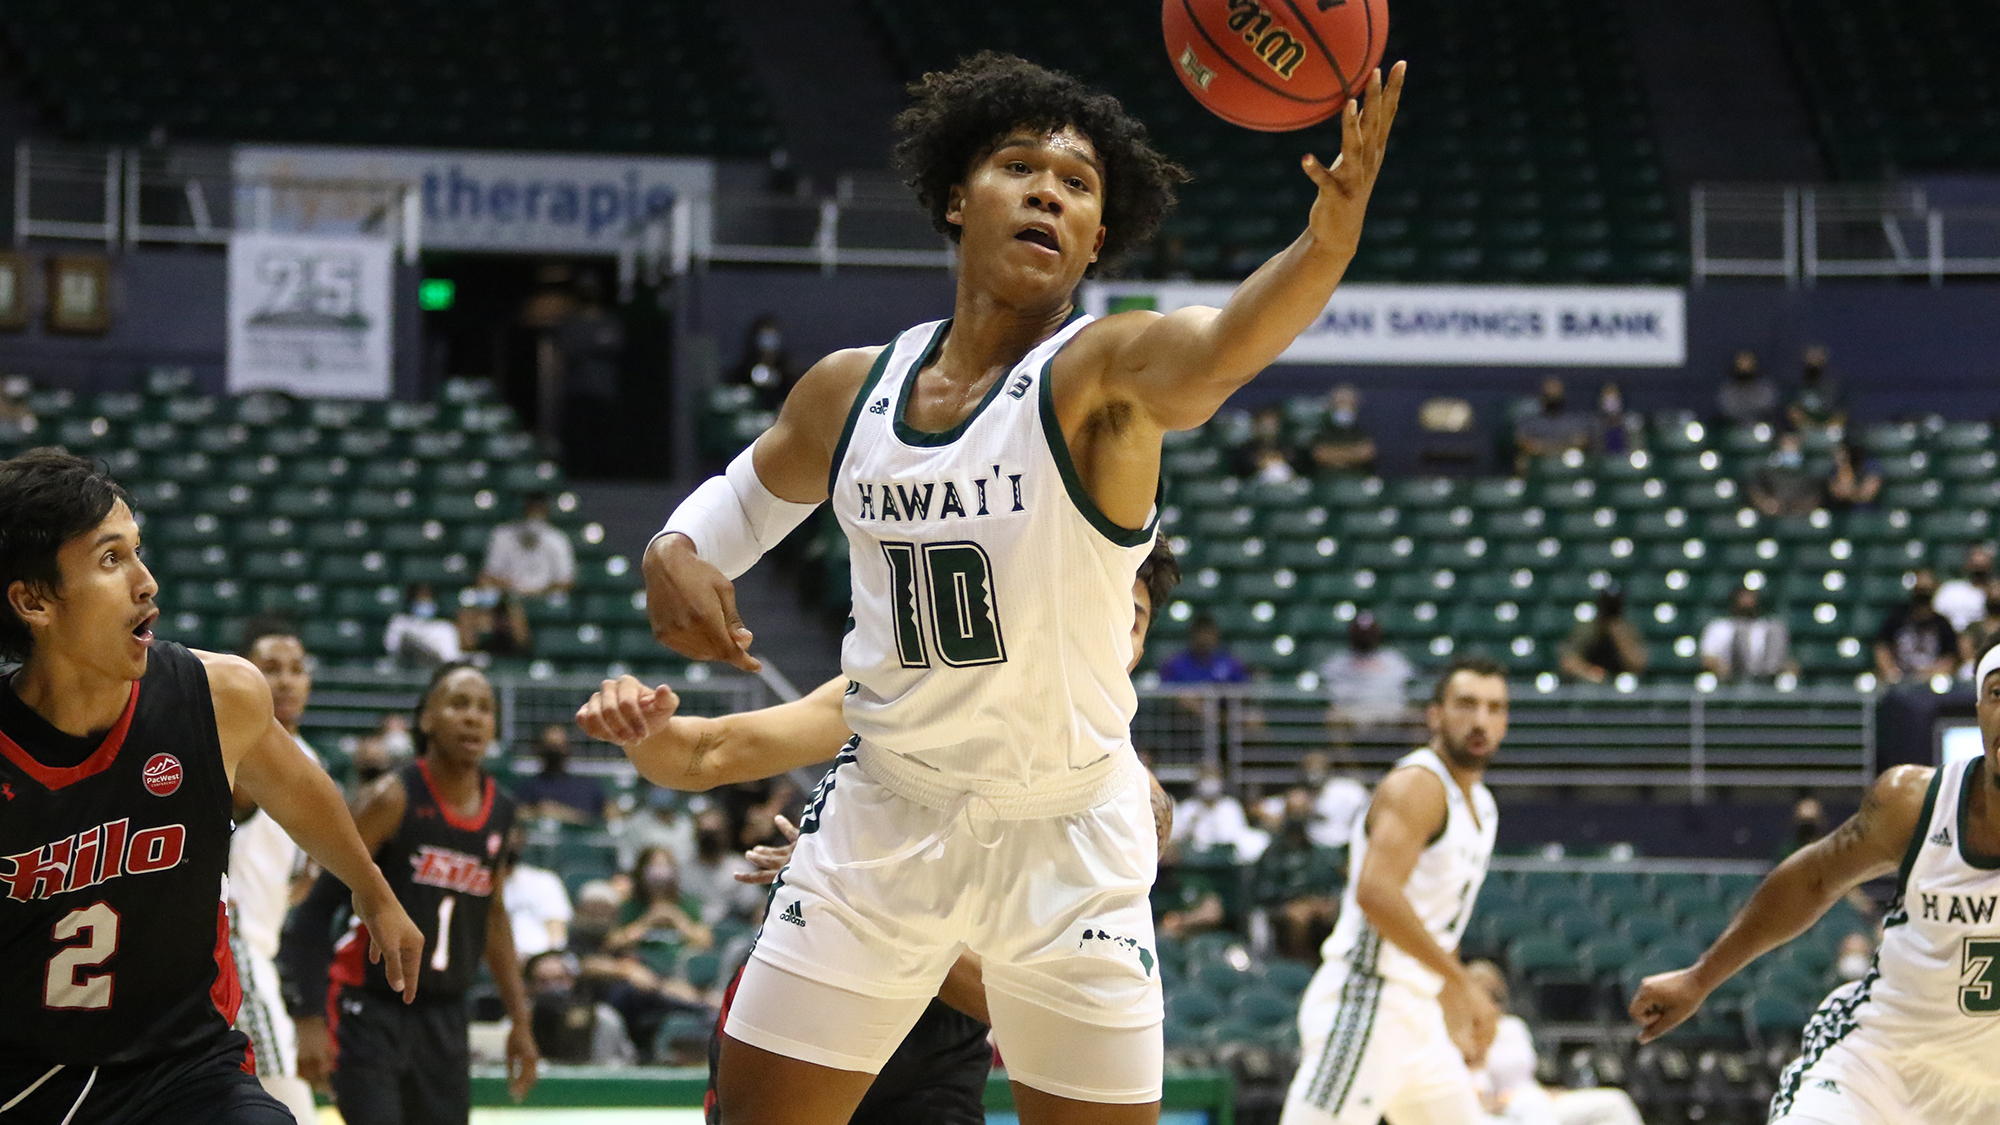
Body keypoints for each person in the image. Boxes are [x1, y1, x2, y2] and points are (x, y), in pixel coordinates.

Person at [634, 49, 1402, 1122]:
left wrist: (1326, 245)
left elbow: (1225, 347)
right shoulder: (850, 390)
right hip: (884, 814)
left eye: (1076, 184)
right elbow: (737, 504)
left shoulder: (1101, 376)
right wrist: (671, 550)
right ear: (957, 196)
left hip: (1067, 838)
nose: (1048, 192)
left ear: (1096, 236)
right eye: (1019, 167)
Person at [582, 539, 1183, 1125]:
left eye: (1132, 620)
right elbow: (709, 751)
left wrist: (873, 889)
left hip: (934, 1045)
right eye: (1097, 608)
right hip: (816, 994)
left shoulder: (1130, 805)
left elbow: (1039, 1000)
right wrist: (643, 729)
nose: (1112, 632)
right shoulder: (906, 689)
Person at [0, 448, 423, 1125]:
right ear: (33, 600)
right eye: (111, 559)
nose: (147, 583)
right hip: (31, 1083)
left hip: (187, 1068)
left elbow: (298, 790)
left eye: (138, 552)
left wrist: (371, 888)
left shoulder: (216, 696)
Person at [1629, 643, 2000, 1125]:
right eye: (1998, 694)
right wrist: (1699, 978)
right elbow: (1812, 880)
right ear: (1979, 708)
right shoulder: (1914, 803)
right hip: (1875, 1070)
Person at [284, 663, 538, 1121]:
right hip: (370, 1009)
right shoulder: (391, 797)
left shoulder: (502, 810)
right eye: (458, 704)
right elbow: (316, 911)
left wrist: (520, 1021)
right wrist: (310, 1019)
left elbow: (493, 917)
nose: (473, 717)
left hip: (446, 1018)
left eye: (485, 708)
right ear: (427, 719)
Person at [1279, 657, 1508, 1125]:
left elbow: (1437, 924)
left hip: (1417, 1013)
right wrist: (1463, 984)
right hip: (1367, 1000)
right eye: (1467, 704)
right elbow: (1376, 894)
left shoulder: (1483, 806)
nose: (1480, 720)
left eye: (1494, 708)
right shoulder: (1419, 784)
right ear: (1435, 715)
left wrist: (1451, 999)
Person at [229, 621, 330, 1125]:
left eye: (296, 669)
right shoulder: (236, 746)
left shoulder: (310, 759)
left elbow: (304, 879)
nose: (287, 681)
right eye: (271, 669)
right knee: (279, 1077)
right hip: (231, 939)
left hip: (262, 943)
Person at [1464, 961, 1642, 1125]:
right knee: (1532, 1108)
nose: (1492, 1004)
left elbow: (1525, 1078)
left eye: (1495, 997)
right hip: (1501, 1109)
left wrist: (1547, 1093)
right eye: (1484, 996)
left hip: (1535, 1098)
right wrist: (1503, 1101)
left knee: (1615, 1102)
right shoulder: (1463, 1037)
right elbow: (1474, 1092)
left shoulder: (1513, 1026)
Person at [1251, 789, 1345, 960]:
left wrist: (1325, 901)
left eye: (1302, 812)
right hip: (1282, 907)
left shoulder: (1317, 850)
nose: (1298, 818)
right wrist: (1295, 901)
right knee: (1299, 915)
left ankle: (1333, 960)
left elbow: (1332, 884)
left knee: (1333, 911)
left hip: (1314, 903)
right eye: (1294, 812)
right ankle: (1301, 963)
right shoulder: (1272, 853)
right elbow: (1264, 892)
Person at [522, 950, 636, 1066]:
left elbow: (620, 1064)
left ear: (573, 980)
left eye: (560, 979)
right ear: (530, 986)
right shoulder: (518, 1022)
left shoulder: (603, 1018)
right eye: (543, 981)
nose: (553, 987)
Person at [1318, 611, 1415, 729]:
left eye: (1369, 632)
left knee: (1415, 716)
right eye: (1360, 633)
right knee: (1334, 717)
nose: (1365, 636)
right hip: (1353, 711)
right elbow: (1326, 692)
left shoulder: (1394, 660)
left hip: (1389, 710)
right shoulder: (1337, 662)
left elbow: (1410, 686)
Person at [480, 492, 576, 600]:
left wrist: (537, 592)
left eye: (539, 509)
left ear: (546, 511)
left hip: (545, 599)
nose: (534, 514)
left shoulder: (558, 539)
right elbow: (486, 578)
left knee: (559, 598)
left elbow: (566, 581)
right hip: (509, 598)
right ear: (524, 509)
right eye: (531, 509)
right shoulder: (502, 535)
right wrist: (516, 588)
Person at [512, 722, 609, 825]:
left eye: (559, 746)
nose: (555, 752)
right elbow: (516, 813)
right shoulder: (527, 788)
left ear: (568, 748)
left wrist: (562, 813)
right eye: (551, 746)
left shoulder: (587, 787)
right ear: (538, 748)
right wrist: (538, 811)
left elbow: (605, 816)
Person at [678, 808, 762, 925]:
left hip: (733, 929)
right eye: (705, 833)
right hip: (691, 929)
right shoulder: (682, 870)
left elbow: (755, 908)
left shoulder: (742, 869)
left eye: (714, 834)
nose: (709, 839)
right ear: (695, 834)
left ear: (726, 834)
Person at [1874, 569, 1958, 685]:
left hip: (1930, 681)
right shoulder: (1897, 617)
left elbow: (1949, 658)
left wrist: (1928, 675)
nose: (1922, 599)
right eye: (1920, 591)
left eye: (1926, 592)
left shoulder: (1942, 624)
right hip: (1899, 679)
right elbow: (1882, 647)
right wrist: (1891, 672)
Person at [502, 825, 574, 958]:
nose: (508, 842)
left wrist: (547, 960)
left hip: (539, 960)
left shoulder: (545, 880)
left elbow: (557, 932)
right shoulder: (475, 884)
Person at [1699, 584, 1794, 682]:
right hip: (1729, 681)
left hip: (1766, 680)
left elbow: (1784, 660)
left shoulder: (1771, 627)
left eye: (1751, 596)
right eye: (1743, 596)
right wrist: (1721, 668)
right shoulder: (1719, 627)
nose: (1747, 601)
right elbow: (1707, 658)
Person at [1175, 764, 1269, 861]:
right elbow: (1178, 838)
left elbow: (1238, 835)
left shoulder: (1231, 806)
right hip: (1197, 859)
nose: (1209, 783)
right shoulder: (1188, 808)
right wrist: (1192, 823)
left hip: (1229, 858)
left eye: (1213, 777)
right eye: (1206, 777)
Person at [1558, 585, 1648, 683]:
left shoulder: (1627, 630)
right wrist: (1590, 672)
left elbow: (1638, 665)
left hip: (1621, 684)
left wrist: (1619, 635)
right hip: (1588, 685)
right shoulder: (1587, 629)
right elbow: (1567, 661)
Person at [1513, 376, 1597, 468]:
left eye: (1556, 395)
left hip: (1568, 463)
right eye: (1549, 395)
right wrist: (1560, 446)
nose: (1553, 398)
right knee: (1522, 461)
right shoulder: (1531, 422)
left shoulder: (1574, 421)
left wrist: (1543, 447)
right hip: (1539, 463)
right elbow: (1524, 443)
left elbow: (1579, 441)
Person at [383, 582, 462, 668]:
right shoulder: (399, 622)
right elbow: (392, 648)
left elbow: (450, 658)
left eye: (428, 598)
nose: (424, 601)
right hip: (403, 669)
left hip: (434, 669)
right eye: (420, 597)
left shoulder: (445, 627)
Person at [726, 315, 797, 410]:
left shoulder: (787, 374)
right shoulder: (741, 373)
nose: (768, 349)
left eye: (772, 339)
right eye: (765, 339)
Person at [1159, 613, 1251, 686]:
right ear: (1193, 634)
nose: (1205, 638)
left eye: (1209, 633)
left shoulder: (1231, 664)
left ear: (1216, 635)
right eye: (1201, 633)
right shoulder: (1175, 664)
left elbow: (1247, 692)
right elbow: (1164, 693)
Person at [1749, 430, 1824, 518]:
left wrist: (1797, 507)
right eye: (1786, 443)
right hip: (1772, 517)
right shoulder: (1766, 471)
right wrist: (1766, 502)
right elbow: (1755, 490)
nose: (1790, 447)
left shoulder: (1811, 472)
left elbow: (1815, 496)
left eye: (1794, 443)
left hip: (1801, 518)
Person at [1309, 383, 1376, 474]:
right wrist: (1353, 454)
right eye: (1340, 402)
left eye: (1348, 402)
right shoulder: (1322, 429)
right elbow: (1321, 455)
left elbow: (1366, 453)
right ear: (1332, 404)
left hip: (1358, 477)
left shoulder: (1363, 429)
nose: (1344, 406)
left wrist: (1334, 454)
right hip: (1327, 477)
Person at [1932, 544, 1993, 635]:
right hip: (1949, 636)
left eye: (1982, 565)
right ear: (1967, 564)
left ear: (1991, 565)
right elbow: (1936, 615)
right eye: (1975, 565)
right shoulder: (1949, 589)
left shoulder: (1995, 594)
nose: (1979, 568)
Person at [1786, 345, 1845, 435]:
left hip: (1828, 432)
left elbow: (1841, 414)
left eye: (1818, 358)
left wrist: (1822, 428)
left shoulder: (1833, 386)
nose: (1814, 361)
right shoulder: (1796, 385)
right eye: (1812, 357)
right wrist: (1810, 426)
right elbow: (1792, 412)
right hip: (1802, 432)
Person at [1718, 349, 1777, 427]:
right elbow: (1728, 410)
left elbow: (1767, 407)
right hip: (1735, 428)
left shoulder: (1765, 388)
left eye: (1748, 363)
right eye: (1741, 363)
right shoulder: (1727, 390)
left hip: (1761, 427)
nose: (1745, 368)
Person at [1824, 436, 1882, 511]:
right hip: (1843, 511)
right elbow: (1838, 493)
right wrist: (1844, 465)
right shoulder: (1837, 467)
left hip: (1868, 511)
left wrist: (1850, 493)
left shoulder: (1871, 463)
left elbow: (1867, 495)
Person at [1957, 576, 2000, 670]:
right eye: (1992, 594)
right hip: (1977, 665)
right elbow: (1966, 652)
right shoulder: (1973, 626)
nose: (1996, 595)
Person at [1593, 381, 1642, 457]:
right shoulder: (1596, 425)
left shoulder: (1631, 422)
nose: (1611, 403)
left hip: (1626, 458)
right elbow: (1596, 450)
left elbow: (1637, 445)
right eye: (1607, 399)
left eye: (1614, 399)